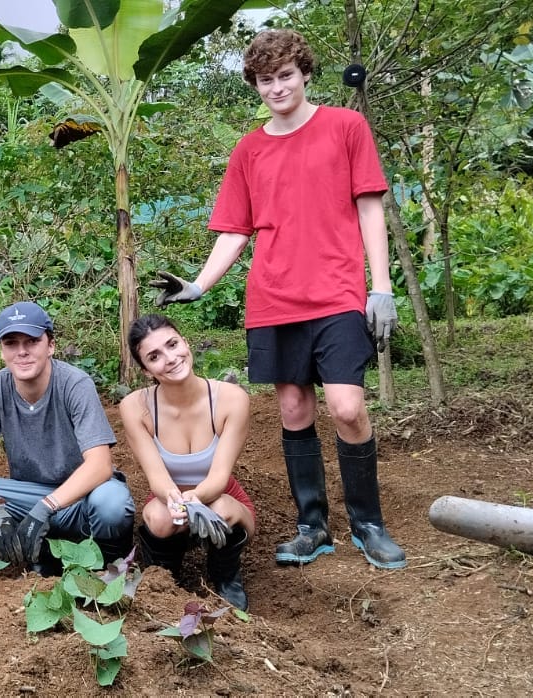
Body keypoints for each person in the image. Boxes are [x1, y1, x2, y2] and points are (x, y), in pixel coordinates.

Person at [151, 28, 405, 569]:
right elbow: (236, 230)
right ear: (256, 85)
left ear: (305, 74)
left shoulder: (345, 126)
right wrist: (199, 285)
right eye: (266, 80)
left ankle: (369, 522)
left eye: (286, 76)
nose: (277, 88)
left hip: (338, 292)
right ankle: (312, 525)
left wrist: (380, 287)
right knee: (292, 408)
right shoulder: (250, 148)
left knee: (347, 406)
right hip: (273, 298)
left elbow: (370, 208)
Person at [0, 301, 134, 571]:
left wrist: (47, 507)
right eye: (11, 343)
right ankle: (40, 549)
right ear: (2, 351)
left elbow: (100, 464)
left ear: (50, 345)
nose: (22, 352)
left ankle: (106, 559)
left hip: (81, 497)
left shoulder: (74, 383)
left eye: (32, 341)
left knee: (112, 504)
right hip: (29, 496)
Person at [119, 315, 255, 610]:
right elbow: (157, 480)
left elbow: (219, 478)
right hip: (170, 501)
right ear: (145, 370)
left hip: (223, 498)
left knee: (219, 509)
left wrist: (195, 500)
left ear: (186, 342)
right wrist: (179, 502)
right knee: (157, 516)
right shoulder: (135, 407)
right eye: (154, 356)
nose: (170, 358)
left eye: (173, 344)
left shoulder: (232, 399)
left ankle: (225, 576)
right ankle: (165, 580)